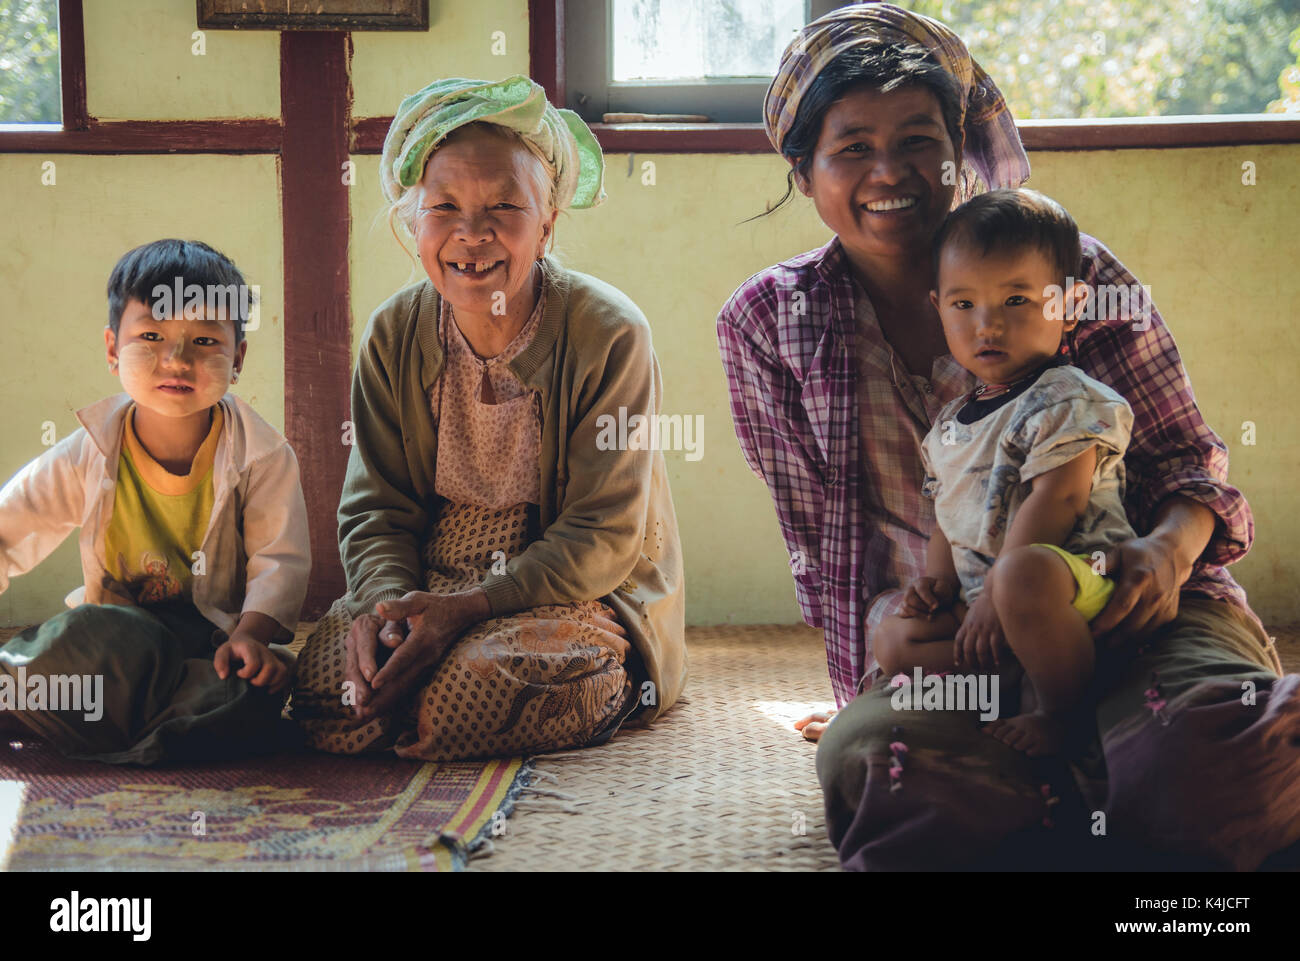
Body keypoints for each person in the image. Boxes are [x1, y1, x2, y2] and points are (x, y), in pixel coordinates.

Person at [717, 3, 1300, 870]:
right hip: (965, 643)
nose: (891, 172)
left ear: (958, 148)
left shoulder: (1076, 275)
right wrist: (885, 630)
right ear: (804, 172)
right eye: (852, 148)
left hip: (1141, 611)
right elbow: (825, 552)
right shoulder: (768, 323)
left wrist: (1167, 556)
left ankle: (1113, 784)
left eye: (918, 139)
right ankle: (1104, 793)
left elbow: (1187, 464)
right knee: (883, 770)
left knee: (1210, 752)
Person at [289, 76, 686, 760]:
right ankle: (418, 662)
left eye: (504, 205)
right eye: (444, 206)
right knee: (334, 691)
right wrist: (387, 611)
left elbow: (603, 532)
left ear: (548, 223)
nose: (472, 234)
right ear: (415, 223)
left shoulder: (607, 333)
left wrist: (471, 610)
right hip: (430, 574)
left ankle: (603, 675)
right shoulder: (394, 333)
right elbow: (376, 508)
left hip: (567, 586)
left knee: (470, 693)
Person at [0, 239, 311, 764]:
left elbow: (279, 561)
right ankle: (149, 737)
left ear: (238, 357)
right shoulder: (91, 449)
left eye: (204, 340)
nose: (176, 359)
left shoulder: (261, 455)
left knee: (257, 687)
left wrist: (252, 638)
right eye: (150, 336)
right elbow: (10, 525)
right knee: (84, 636)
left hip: (206, 656)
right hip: (118, 649)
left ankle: (94, 727)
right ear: (111, 349)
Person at [879, 187, 1137, 758]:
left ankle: (1061, 714)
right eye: (963, 304)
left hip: (1074, 583)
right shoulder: (951, 421)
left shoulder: (1067, 397)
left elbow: (1062, 500)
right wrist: (937, 583)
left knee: (1022, 575)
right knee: (894, 639)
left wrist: (998, 593)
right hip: (986, 601)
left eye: (1016, 300)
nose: (987, 324)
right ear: (938, 306)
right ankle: (1017, 673)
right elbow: (947, 513)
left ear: (1070, 305)